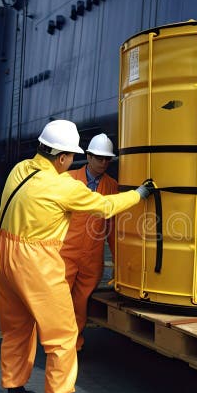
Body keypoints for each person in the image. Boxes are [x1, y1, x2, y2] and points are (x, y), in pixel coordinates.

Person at [0, 119, 155, 393]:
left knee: (16, 327)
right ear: (64, 157)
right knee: (63, 334)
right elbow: (106, 206)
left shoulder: (20, 169)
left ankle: (14, 392)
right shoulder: (65, 185)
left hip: (3, 251)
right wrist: (139, 194)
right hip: (36, 259)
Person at [60, 133, 118, 352]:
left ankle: (73, 346)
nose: (103, 163)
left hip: (92, 258)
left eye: (107, 159)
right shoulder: (69, 179)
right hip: (65, 253)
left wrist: (117, 261)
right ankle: (58, 343)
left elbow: (112, 227)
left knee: (80, 303)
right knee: (60, 302)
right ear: (88, 156)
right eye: (99, 158)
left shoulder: (111, 185)